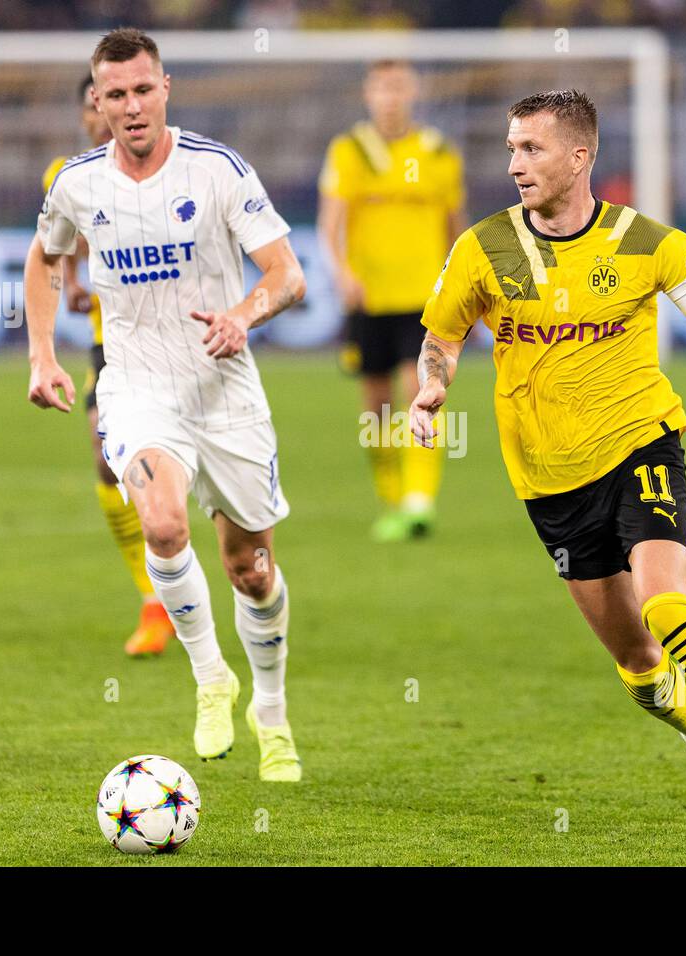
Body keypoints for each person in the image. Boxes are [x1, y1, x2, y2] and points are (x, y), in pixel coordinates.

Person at [410, 90, 686, 845]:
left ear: (579, 155)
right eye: (510, 148)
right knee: (641, 668)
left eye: (531, 149)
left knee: (667, 606)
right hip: (547, 479)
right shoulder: (482, 247)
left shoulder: (651, 243)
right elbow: (442, 336)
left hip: (642, 444)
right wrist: (432, 384)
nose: (514, 164)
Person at [25, 28, 306, 783]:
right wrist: (43, 352)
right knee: (162, 521)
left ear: (165, 88)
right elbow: (46, 255)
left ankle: (271, 712)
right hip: (138, 387)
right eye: (115, 94)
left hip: (226, 390)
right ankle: (213, 677)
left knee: (250, 569)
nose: (131, 105)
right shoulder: (79, 183)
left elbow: (287, 274)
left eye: (143, 89)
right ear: (97, 102)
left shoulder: (217, 170)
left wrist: (243, 316)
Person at [40, 75, 175, 659]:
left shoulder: (173, 163)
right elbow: (57, 245)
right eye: (98, 103)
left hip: (181, 335)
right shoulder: (66, 176)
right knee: (105, 456)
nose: (108, 113)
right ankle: (154, 599)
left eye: (120, 99)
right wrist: (70, 284)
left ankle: (212, 585)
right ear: (87, 113)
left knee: (198, 480)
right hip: (113, 342)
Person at [318, 60, 466, 541]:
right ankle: (392, 499)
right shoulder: (350, 151)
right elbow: (330, 223)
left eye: (400, 87)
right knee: (377, 406)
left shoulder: (440, 152)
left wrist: (464, 285)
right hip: (370, 297)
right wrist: (342, 273)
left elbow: (454, 227)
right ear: (369, 93)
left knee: (419, 390)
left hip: (424, 299)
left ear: (413, 91)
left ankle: (421, 501)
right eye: (383, 88)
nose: (391, 97)